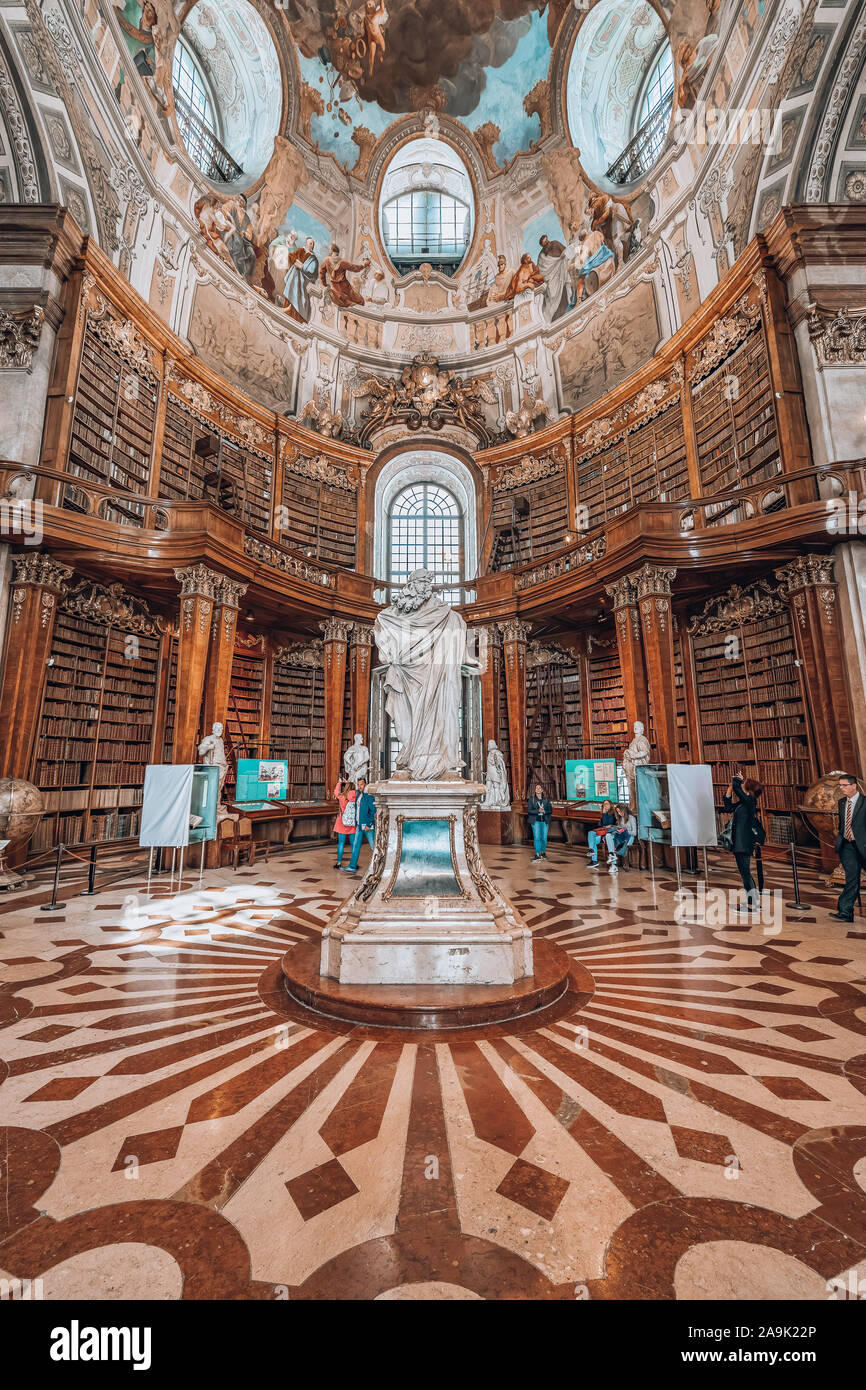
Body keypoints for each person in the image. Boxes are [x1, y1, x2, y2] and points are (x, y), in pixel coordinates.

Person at [723, 771, 764, 910]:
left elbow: (737, 788)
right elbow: (728, 807)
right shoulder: (743, 803)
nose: (742, 784)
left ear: (748, 789)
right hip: (739, 843)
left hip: (744, 843)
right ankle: (754, 901)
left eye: (744, 783)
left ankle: (752, 904)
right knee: (745, 872)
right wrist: (730, 788)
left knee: (745, 872)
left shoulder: (750, 801)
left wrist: (736, 780)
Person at [831, 773, 866, 922]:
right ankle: (845, 912)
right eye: (840, 785)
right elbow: (843, 824)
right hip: (847, 846)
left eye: (844, 785)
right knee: (852, 878)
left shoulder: (865, 802)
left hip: (863, 846)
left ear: (854, 786)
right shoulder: (841, 803)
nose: (841, 788)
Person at [346, 777, 376, 873]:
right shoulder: (359, 795)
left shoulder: (369, 796)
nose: (360, 786)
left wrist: (369, 823)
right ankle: (352, 866)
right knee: (356, 845)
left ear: (365, 785)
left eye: (361, 784)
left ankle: (379, 864)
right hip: (359, 825)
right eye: (358, 785)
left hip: (367, 826)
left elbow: (373, 811)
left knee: (373, 846)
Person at [332, 778, 356, 869]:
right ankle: (353, 863)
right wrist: (349, 783)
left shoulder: (342, 797)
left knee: (341, 843)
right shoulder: (356, 797)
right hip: (352, 823)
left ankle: (338, 863)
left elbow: (336, 792)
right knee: (353, 844)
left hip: (342, 823)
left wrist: (340, 782)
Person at [527, 782, 552, 861]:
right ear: (535, 790)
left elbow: (550, 810)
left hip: (545, 821)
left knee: (544, 838)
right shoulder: (531, 799)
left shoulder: (546, 800)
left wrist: (544, 811)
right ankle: (537, 854)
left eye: (539, 788)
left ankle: (543, 853)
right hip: (536, 821)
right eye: (536, 788)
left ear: (542, 790)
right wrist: (538, 810)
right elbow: (529, 811)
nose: (537, 789)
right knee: (537, 837)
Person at [587, 800, 616, 868]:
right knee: (591, 833)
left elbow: (608, 824)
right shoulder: (604, 814)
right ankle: (591, 850)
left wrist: (604, 813)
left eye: (606, 804)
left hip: (610, 834)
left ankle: (594, 861)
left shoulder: (613, 814)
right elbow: (603, 825)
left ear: (610, 805)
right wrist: (603, 813)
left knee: (593, 840)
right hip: (602, 834)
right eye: (604, 804)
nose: (605, 805)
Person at [610, 804, 637, 873]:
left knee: (618, 842)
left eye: (620, 811)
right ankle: (614, 864)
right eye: (618, 812)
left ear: (624, 810)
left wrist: (625, 830)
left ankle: (619, 863)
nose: (619, 813)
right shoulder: (621, 818)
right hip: (622, 836)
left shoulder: (631, 818)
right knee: (612, 840)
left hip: (630, 837)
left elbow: (634, 833)